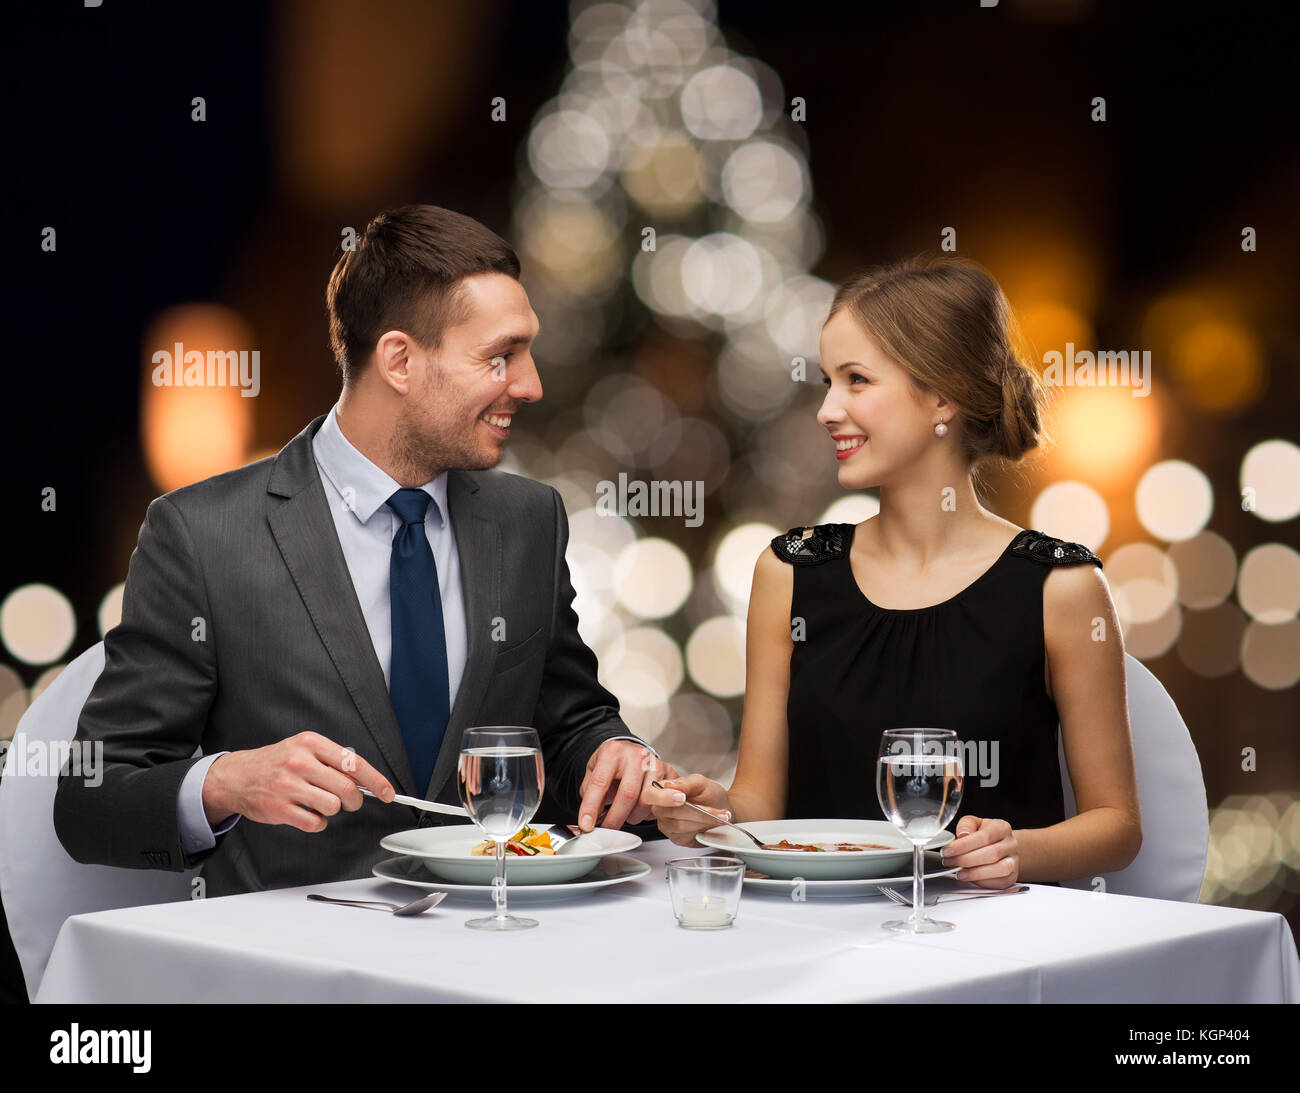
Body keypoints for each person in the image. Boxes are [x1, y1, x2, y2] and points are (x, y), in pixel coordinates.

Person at [54, 204, 675, 896]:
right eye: (500, 356)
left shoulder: (530, 520)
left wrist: (612, 750)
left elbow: (568, 719)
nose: (529, 384)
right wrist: (225, 780)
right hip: (292, 973)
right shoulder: (202, 534)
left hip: (501, 950)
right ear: (400, 360)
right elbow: (90, 798)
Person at [649, 256, 1142, 888]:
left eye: (857, 380)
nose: (827, 409)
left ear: (943, 394)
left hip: (992, 945)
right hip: (818, 933)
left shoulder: (1061, 587)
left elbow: (1117, 825)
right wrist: (710, 813)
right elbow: (761, 807)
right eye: (828, 381)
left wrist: (1015, 849)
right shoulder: (789, 572)